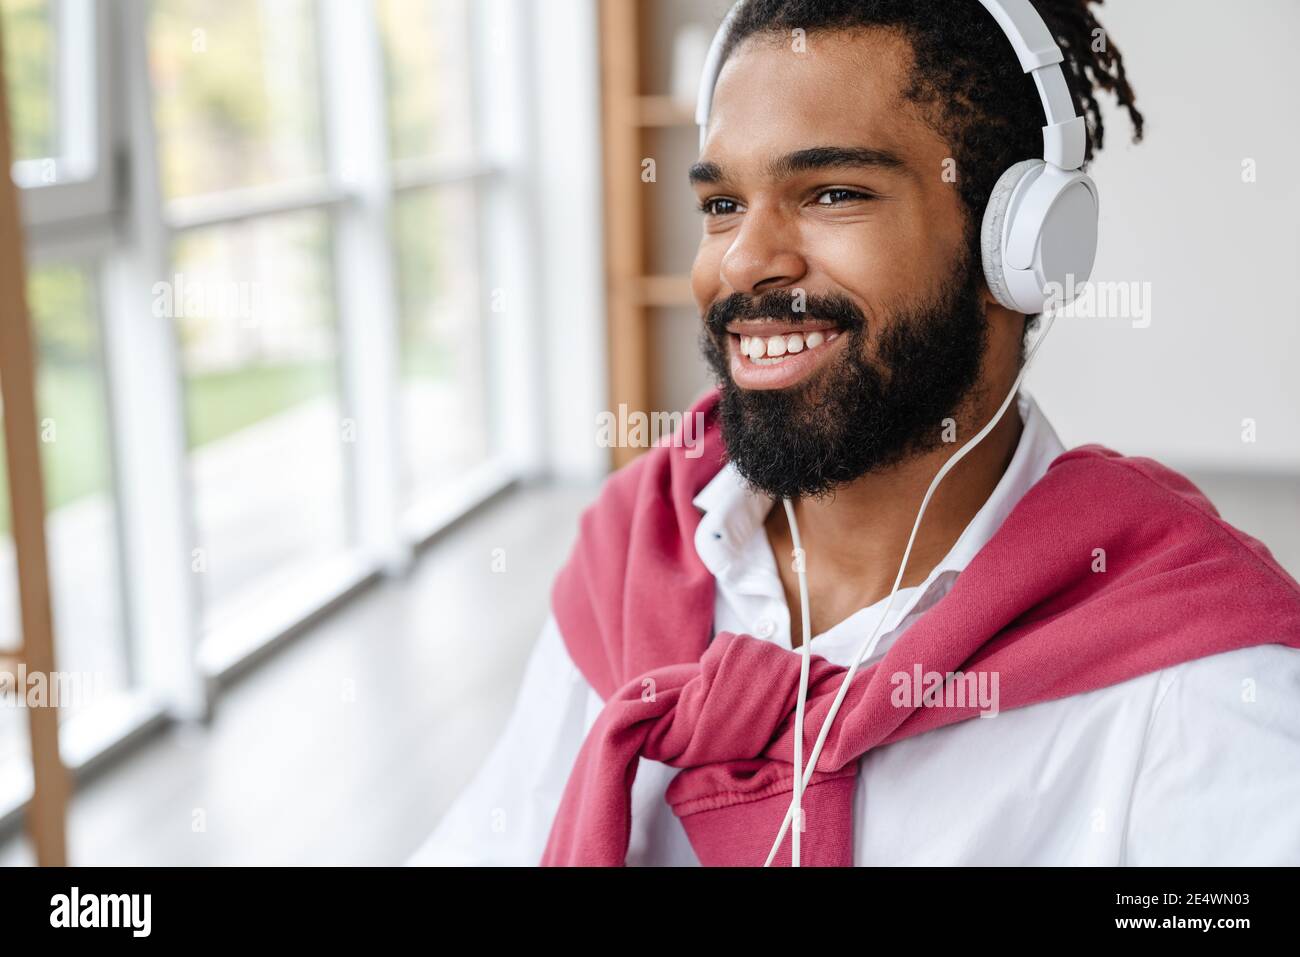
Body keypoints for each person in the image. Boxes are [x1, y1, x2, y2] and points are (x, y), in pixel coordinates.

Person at [412, 0, 1300, 866]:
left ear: (1022, 247)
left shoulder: (1199, 677)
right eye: (722, 204)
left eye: (833, 192)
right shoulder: (637, 556)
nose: (744, 263)